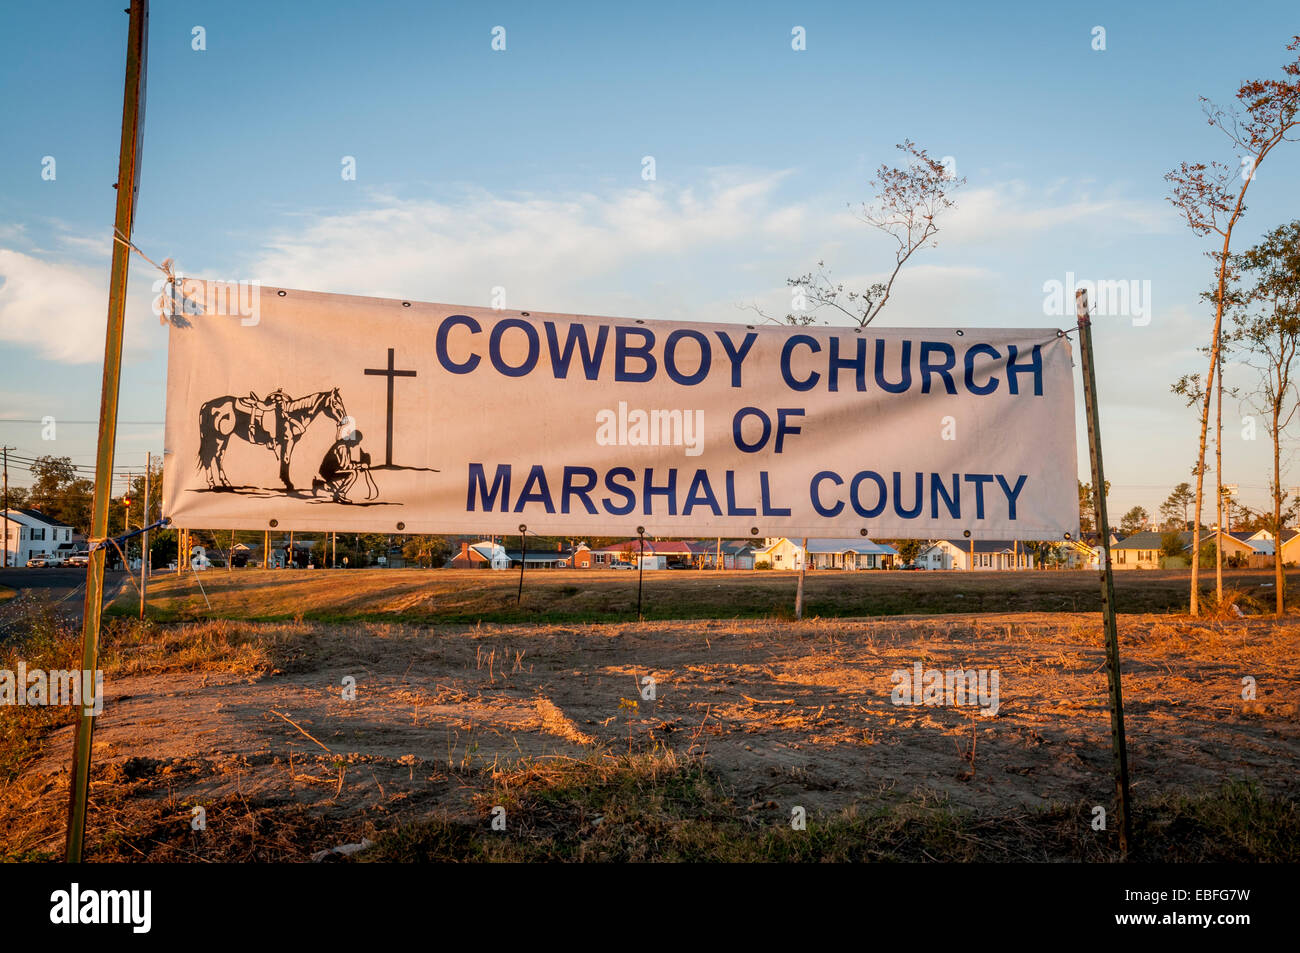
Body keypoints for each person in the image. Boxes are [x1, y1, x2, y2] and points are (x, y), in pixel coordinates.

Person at [316, 429, 367, 503]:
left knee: (345, 478)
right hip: (329, 472)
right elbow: (345, 466)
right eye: (357, 441)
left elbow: (346, 463)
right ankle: (340, 495)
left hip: (329, 470)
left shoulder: (344, 444)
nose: (357, 443)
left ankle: (323, 485)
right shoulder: (343, 447)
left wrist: (358, 465)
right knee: (353, 473)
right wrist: (360, 466)